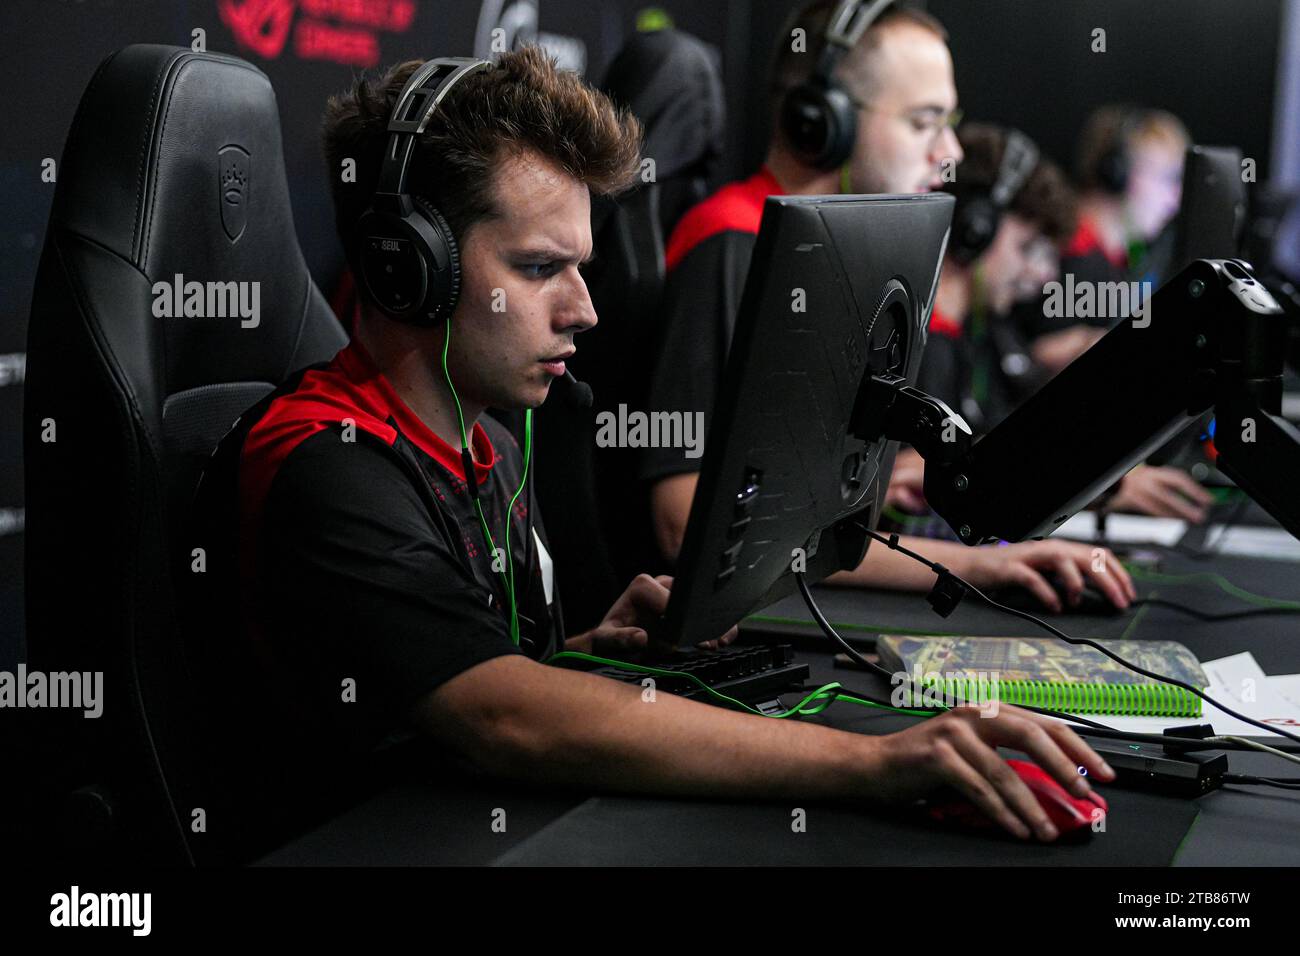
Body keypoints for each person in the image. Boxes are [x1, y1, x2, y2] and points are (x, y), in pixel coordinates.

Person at [195, 44, 1117, 844]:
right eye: (538, 268)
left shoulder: (491, 447)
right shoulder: (331, 464)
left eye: (580, 267)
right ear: (408, 265)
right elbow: (501, 719)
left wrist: (592, 653)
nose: (584, 310)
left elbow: (459, 688)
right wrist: (877, 763)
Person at [644, 1, 1136, 613]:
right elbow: (683, 523)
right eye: (925, 122)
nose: (950, 150)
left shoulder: (844, 261)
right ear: (823, 120)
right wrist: (979, 564)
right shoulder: (734, 244)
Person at [887, 122, 1212, 525]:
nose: (1042, 276)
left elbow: (999, 450)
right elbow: (943, 488)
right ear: (976, 229)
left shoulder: (987, 330)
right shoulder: (917, 347)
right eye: (1027, 248)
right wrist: (1109, 487)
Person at [1028, 105, 1190, 375]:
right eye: (1166, 178)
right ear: (1117, 174)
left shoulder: (1110, 255)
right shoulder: (1077, 254)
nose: (1175, 196)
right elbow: (1036, 352)